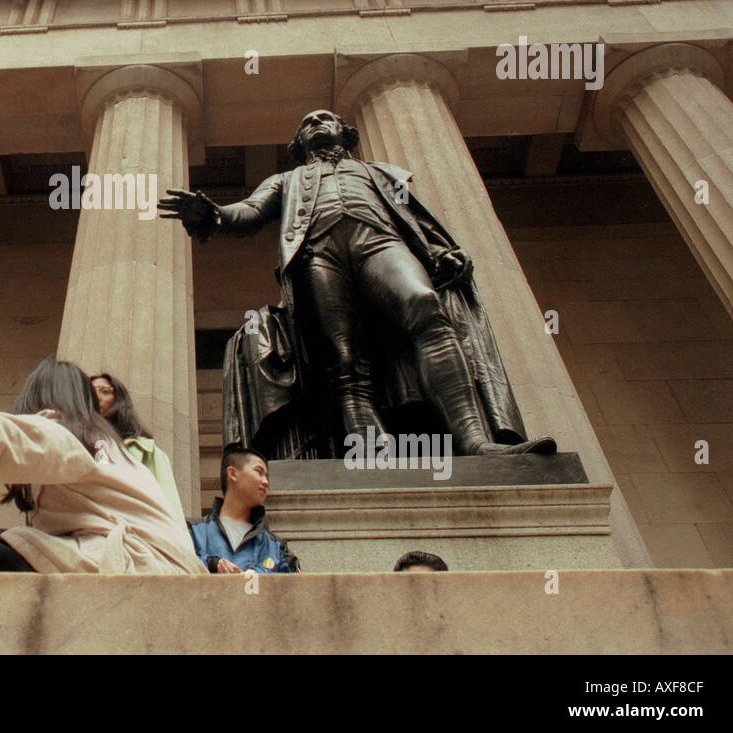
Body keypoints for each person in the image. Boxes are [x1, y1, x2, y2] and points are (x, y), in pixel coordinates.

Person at [160, 109, 556, 460]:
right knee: (342, 357)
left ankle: (474, 439)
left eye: (323, 119)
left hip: (379, 241)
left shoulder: (377, 171)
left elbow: (412, 216)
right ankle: (371, 452)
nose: (315, 124)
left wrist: (440, 249)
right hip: (317, 252)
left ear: (343, 132)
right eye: (306, 124)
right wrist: (213, 214)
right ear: (298, 144)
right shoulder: (288, 179)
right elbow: (249, 211)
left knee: (425, 305)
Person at [0, 358, 205, 575]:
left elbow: (3, 438)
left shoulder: (68, 434)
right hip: (148, 561)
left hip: (139, 564)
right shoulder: (107, 445)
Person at [189, 444, 299, 574]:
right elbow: (172, 569)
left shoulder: (277, 547)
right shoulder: (193, 532)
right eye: (259, 472)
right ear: (233, 474)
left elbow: (298, 589)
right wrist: (210, 564)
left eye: (267, 476)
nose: (266, 482)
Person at [89, 372, 182, 513]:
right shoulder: (72, 447)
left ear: (119, 399)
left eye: (105, 391)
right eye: (89, 392)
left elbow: (170, 507)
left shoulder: (148, 452)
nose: (96, 397)